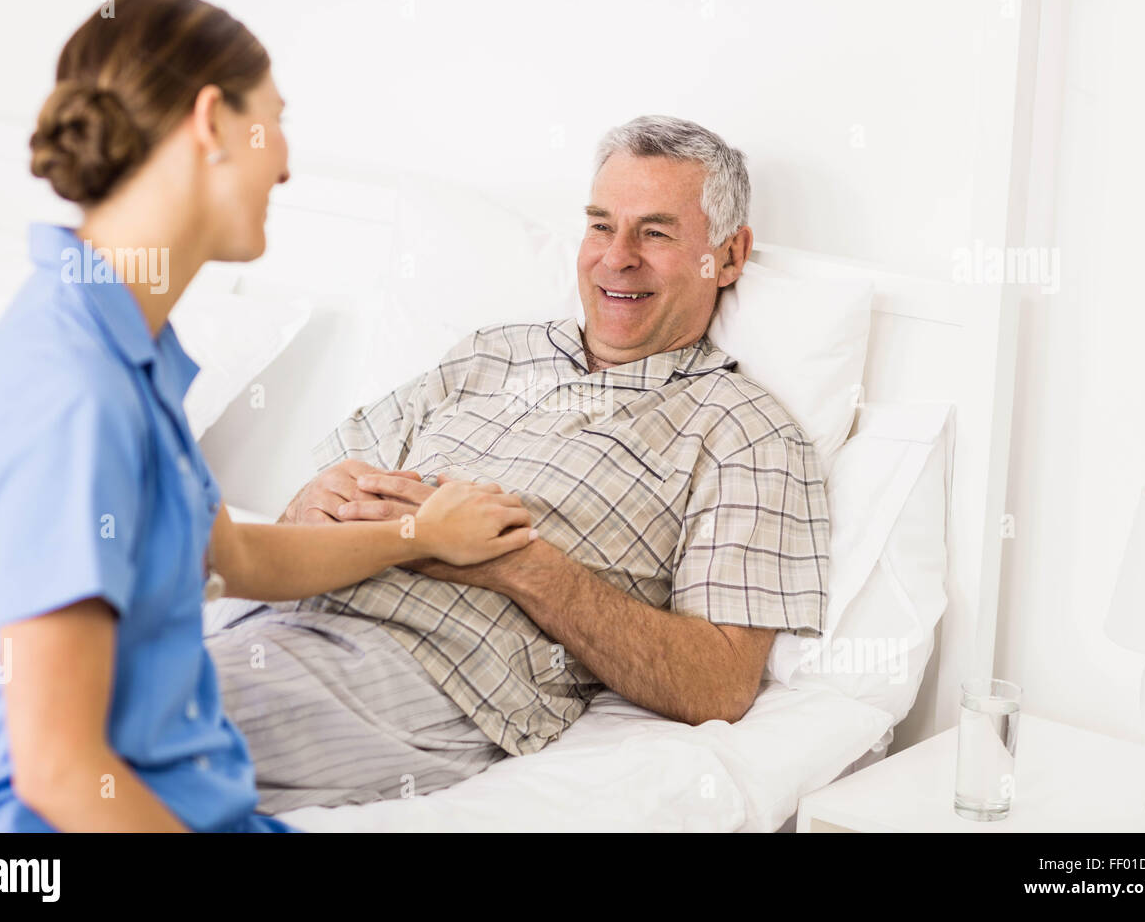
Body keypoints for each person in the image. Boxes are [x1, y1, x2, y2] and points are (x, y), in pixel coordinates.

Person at [0, 0, 534, 833]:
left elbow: (230, 555)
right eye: (274, 122)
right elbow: (58, 771)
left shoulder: (124, 354)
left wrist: (415, 537)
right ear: (212, 123)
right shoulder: (69, 389)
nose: (284, 164)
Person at [204, 115, 830, 813]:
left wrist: (511, 562)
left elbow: (719, 684)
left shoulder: (744, 431)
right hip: (268, 617)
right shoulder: (491, 352)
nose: (616, 257)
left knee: (110, 723)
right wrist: (312, 504)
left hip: (425, 671)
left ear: (730, 253)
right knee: (76, 669)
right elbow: (303, 515)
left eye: (654, 233)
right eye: (600, 225)